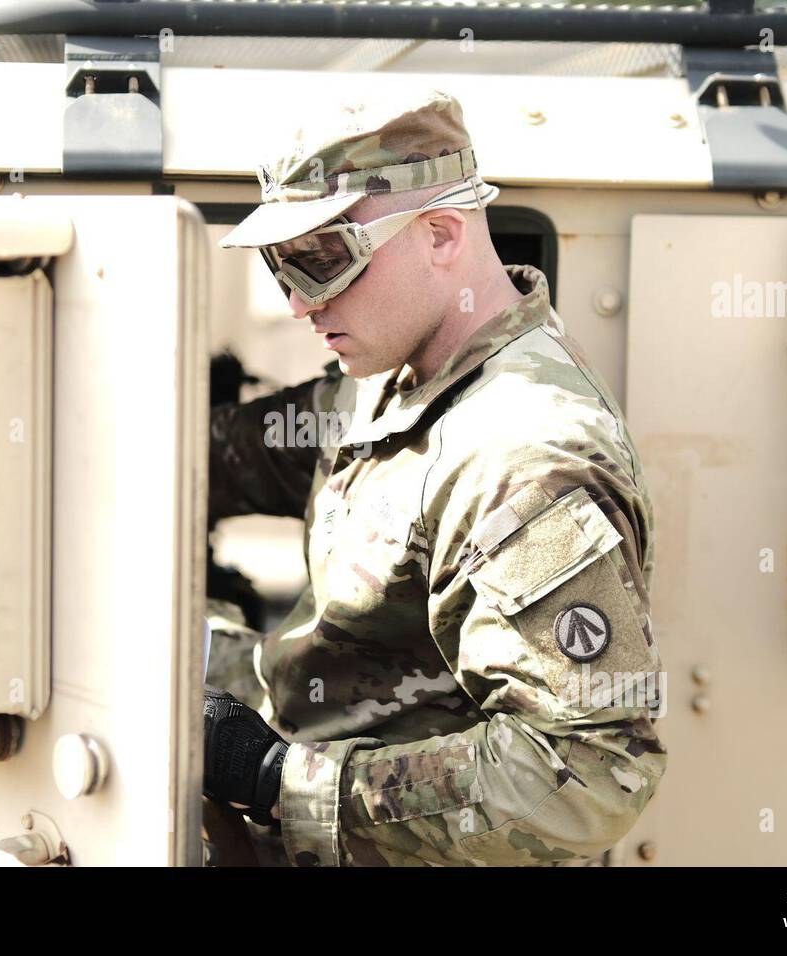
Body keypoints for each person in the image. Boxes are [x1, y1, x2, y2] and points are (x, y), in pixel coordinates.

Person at [202, 89, 666, 867]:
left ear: (442, 235)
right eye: (280, 264)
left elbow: (590, 774)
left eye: (320, 261)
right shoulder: (391, 377)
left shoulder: (523, 455)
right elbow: (225, 460)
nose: (294, 303)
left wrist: (279, 780)